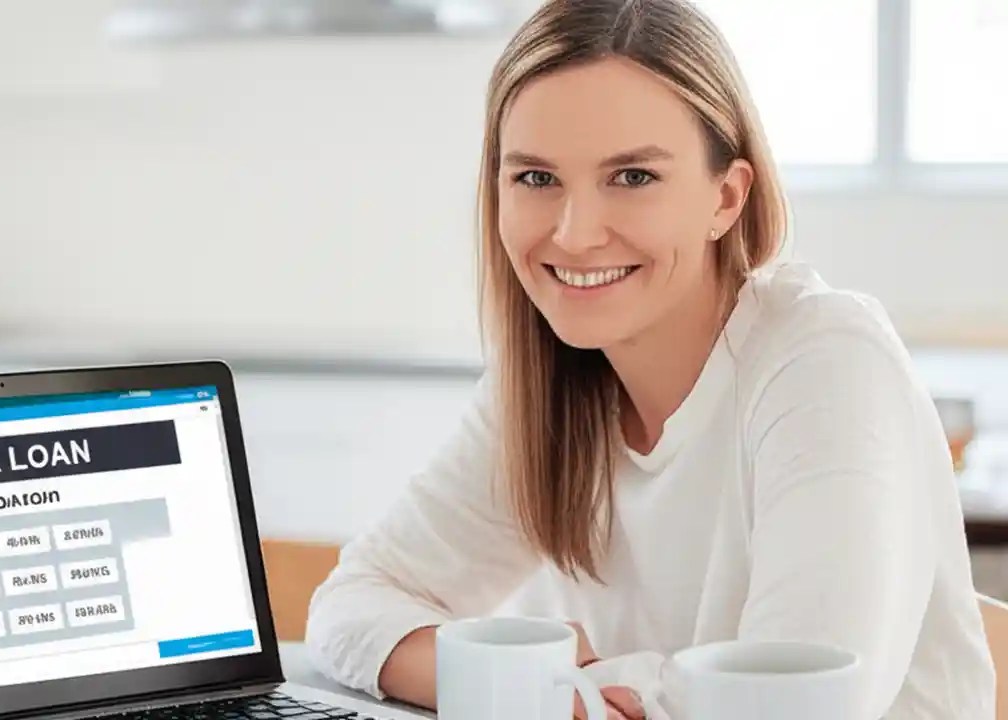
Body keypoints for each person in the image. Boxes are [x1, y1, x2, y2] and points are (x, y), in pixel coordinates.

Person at [304, 0, 997, 718]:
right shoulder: (542, 384)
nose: (573, 235)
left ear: (726, 197)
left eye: (632, 177)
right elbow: (350, 606)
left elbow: (796, 705)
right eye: (536, 179)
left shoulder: (826, 364)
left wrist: (555, 686)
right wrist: (531, 686)